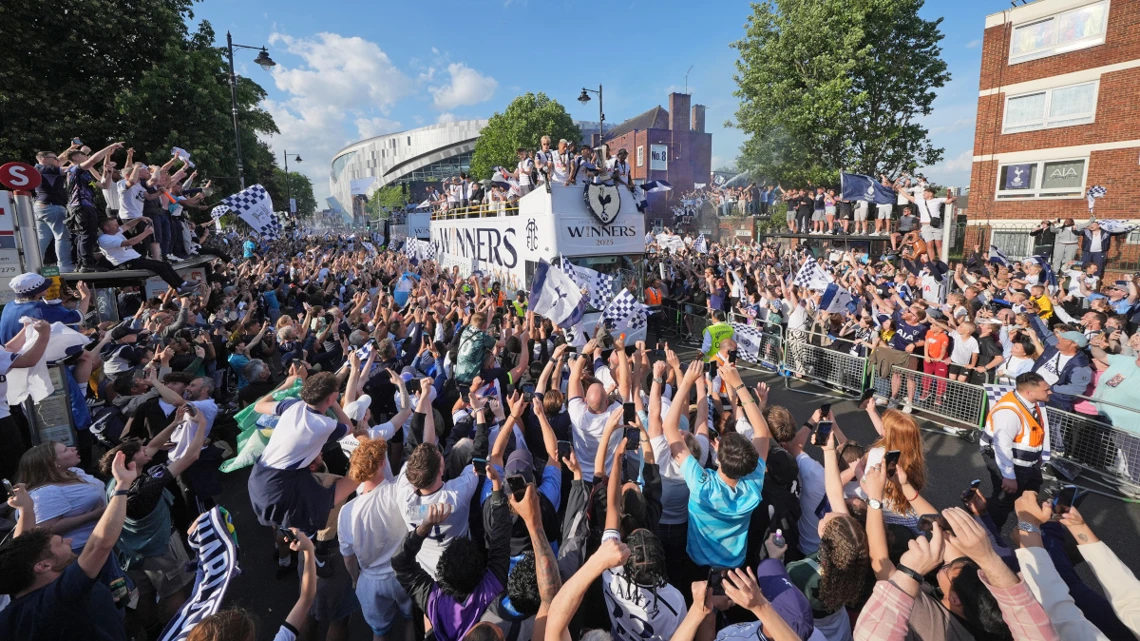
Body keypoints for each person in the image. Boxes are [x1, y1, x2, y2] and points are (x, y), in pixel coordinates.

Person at [0, 449, 138, 640]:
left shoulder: (11, 614)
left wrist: (26, 510)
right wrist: (122, 487)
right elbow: (99, 545)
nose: (69, 540)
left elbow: (19, 552)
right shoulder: (56, 598)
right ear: (43, 565)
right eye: (60, 542)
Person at [392, 470, 512, 641]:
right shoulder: (491, 585)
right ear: (481, 569)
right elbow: (500, 539)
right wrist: (497, 487)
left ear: (441, 573)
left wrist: (424, 527)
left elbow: (400, 563)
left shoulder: (434, 602)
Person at [980, 371, 1052, 529]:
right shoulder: (1009, 413)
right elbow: (1002, 445)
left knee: (1030, 493)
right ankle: (990, 533)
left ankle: (1028, 530)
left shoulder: (1029, 403)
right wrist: (1009, 476)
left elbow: (1031, 433)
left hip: (1027, 463)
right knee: (1003, 501)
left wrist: (1037, 456)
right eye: (1046, 390)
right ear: (1029, 392)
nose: (1050, 392)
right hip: (1011, 463)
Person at [97, 217, 198, 294]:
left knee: (165, 264)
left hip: (136, 259)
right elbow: (129, 242)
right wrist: (146, 233)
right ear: (106, 227)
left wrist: (139, 218)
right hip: (127, 263)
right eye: (115, 225)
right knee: (160, 267)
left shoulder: (115, 232)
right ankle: (179, 288)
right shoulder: (105, 239)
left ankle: (183, 284)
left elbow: (127, 225)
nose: (118, 226)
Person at [33, 149, 76, 272]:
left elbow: (60, 161)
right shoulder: (47, 169)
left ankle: (32, 265)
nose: (58, 160)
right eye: (55, 158)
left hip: (40, 207)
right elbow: (72, 168)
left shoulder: (38, 169)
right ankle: (65, 266)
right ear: (44, 160)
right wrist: (80, 160)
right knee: (62, 236)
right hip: (52, 206)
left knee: (42, 238)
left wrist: (71, 148)